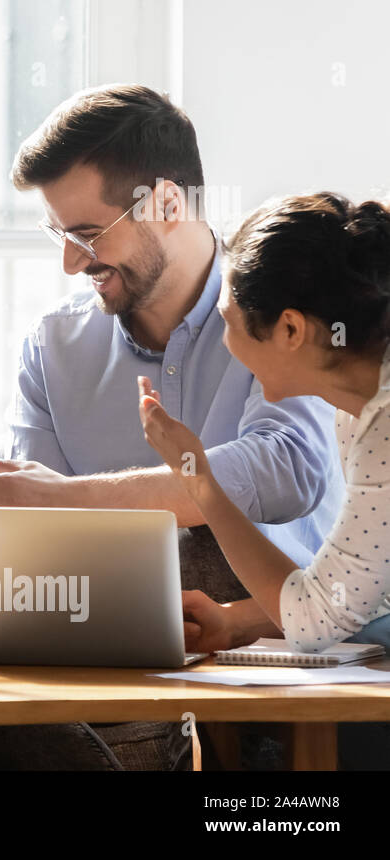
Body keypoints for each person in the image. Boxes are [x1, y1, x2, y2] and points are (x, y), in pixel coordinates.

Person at [0, 83, 343, 771]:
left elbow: (287, 472)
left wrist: (68, 500)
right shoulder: (53, 346)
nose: (69, 261)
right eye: (56, 234)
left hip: (256, 625)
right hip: (96, 634)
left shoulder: (276, 307)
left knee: (196, 545)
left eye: (86, 234)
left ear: (168, 204)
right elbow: (34, 522)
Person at [140, 192, 390, 769]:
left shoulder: (381, 429)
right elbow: (363, 587)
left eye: (227, 321)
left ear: (291, 328)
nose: (225, 344)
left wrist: (198, 478)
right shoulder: (359, 413)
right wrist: (236, 620)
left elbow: (314, 623)